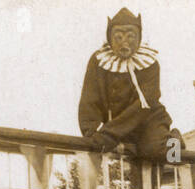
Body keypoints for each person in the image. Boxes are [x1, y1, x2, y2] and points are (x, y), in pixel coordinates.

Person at [77, 7, 184, 161]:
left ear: (139, 38)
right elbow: (89, 99)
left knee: (159, 153)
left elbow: (144, 105)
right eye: (118, 37)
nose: (124, 43)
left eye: (130, 37)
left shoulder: (150, 63)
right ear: (109, 38)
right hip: (115, 125)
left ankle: (176, 139)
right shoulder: (98, 60)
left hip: (148, 120)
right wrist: (91, 132)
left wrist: (109, 134)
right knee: (102, 148)